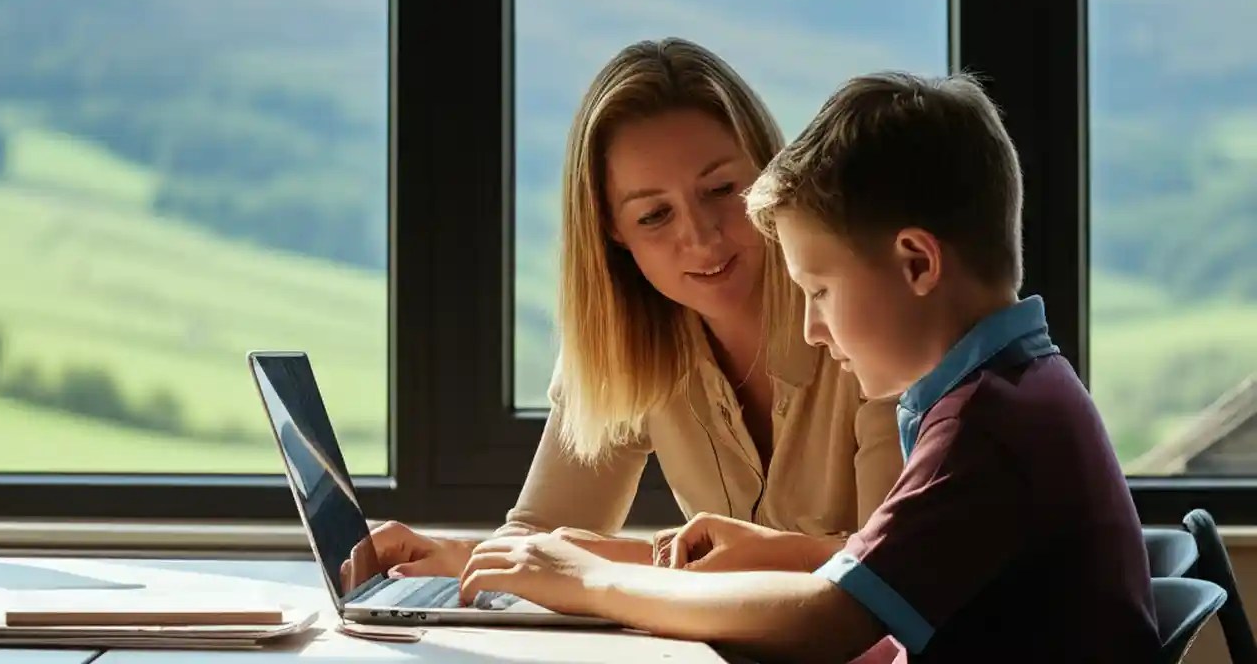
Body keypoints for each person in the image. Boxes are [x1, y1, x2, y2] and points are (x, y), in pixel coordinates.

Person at [454, 71, 1160, 663]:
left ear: (917, 263)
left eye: (819, 291)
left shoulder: (987, 427)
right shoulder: (1008, 392)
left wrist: (596, 584)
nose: (812, 325)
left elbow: (833, 617)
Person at [356, 38, 902, 578]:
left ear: (769, 175)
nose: (701, 236)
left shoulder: (864, 316)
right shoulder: (624, 336)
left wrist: (606, 562)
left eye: (720, 189)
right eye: (654, 216)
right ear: (612, 231)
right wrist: (451, 560)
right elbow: (544, 533)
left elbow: (886, 562)